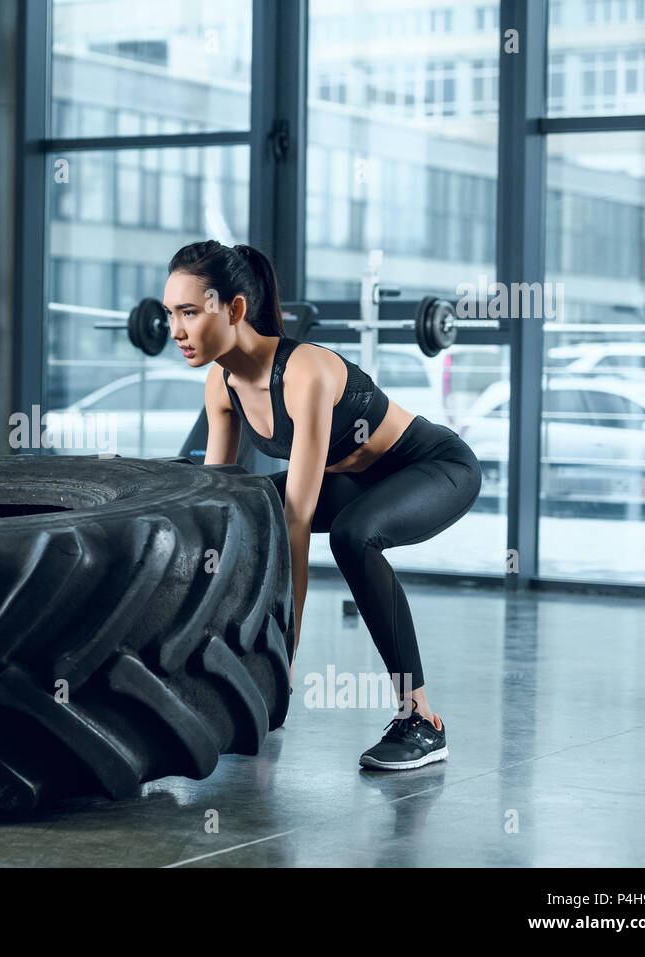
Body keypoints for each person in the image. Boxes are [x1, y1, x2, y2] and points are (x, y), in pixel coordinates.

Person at [165, 239, 482, 771]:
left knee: (352, 536)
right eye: (171, 313)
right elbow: (218, 505)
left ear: (235, 309)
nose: (176, 330)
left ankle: (422, 720)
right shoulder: (220, 385)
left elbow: (296, 522)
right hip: (359, 481)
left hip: (433, 468)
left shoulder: (304, 372)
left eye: (190, 312)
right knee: (249, 501)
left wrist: (282, 666)